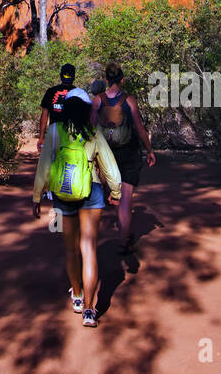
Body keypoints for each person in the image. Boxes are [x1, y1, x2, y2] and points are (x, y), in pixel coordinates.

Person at [32, 89, 121, 327]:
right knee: (89, 249)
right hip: (91, 192)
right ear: (85, 110)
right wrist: (117, 192)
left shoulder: (54, 132)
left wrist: (37, 196)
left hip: (63, 194)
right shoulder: (94, 134)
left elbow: (44, 165)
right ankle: (90, 311)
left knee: (71, 250)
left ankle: (78, 297)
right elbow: (111, 169)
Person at [91, 62, 156, 255]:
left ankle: (92, 240)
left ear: (106, 80)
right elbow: (140, 128)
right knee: (126, 198)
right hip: (128, 153)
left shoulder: (97, 101)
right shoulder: (129, 100)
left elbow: (90, 129)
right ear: (122, 79)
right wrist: (149, 150)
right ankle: (123, 241)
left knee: (102, 197)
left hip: (105, 154)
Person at [36, 62, 77, 151]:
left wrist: (41, 137)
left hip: (54, 134)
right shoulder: (79, 93)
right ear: (74, 77)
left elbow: (44, 116)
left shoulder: (51, 92)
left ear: (60, 76)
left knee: (49, 162)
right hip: (71, 136)